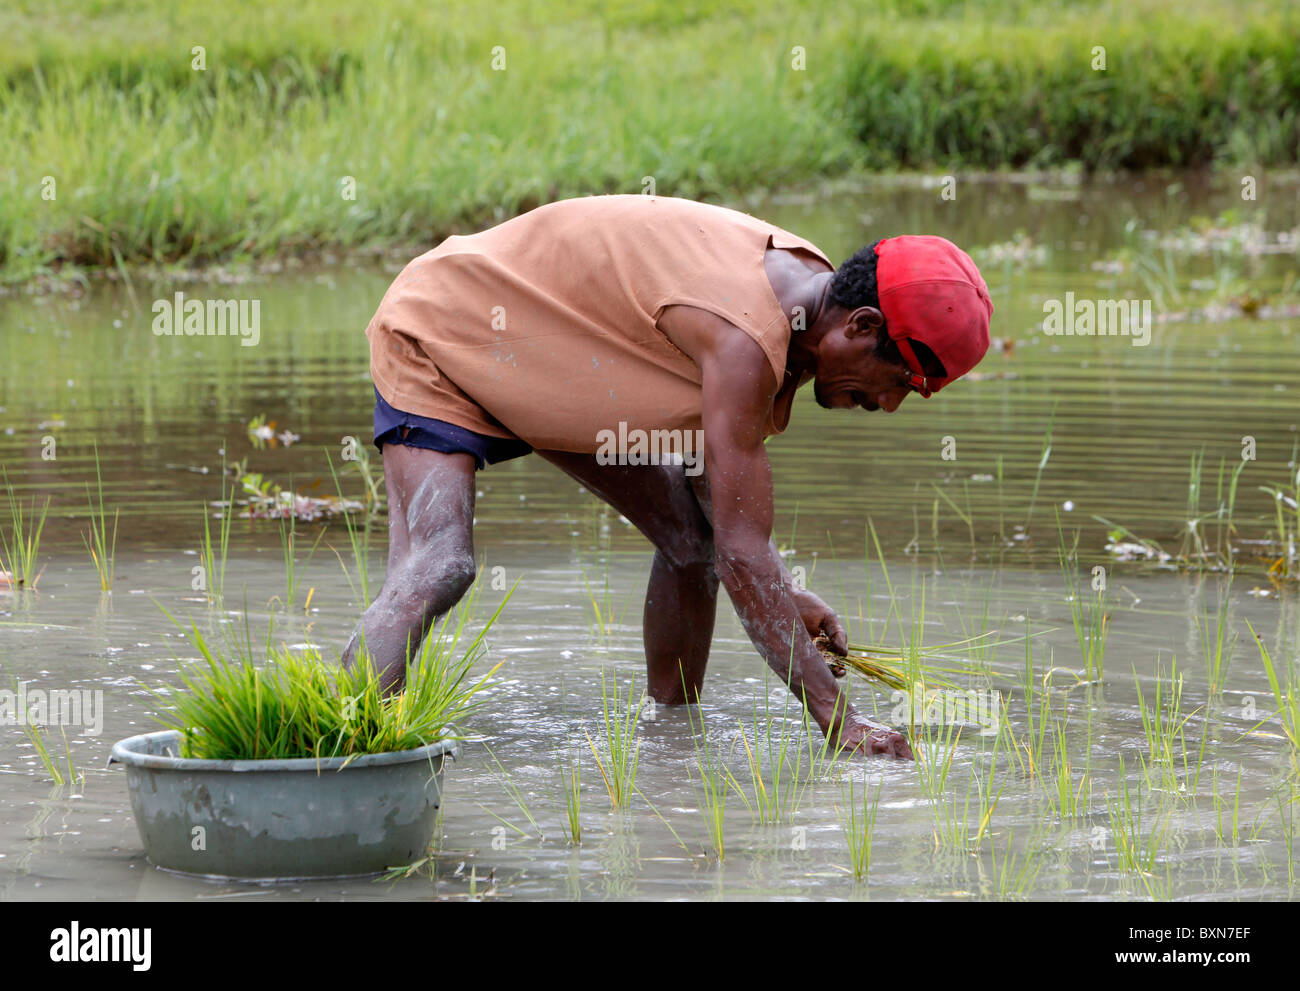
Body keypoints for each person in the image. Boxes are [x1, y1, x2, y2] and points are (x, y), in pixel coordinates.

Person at [343, 194, 992, 759]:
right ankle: (341, 746)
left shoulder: (808, 302)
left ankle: (669, 740)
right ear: (862, 324)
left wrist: (782, 590)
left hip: (561, 356)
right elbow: (744, 550)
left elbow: (722, 511)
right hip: (443, 328)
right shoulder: (748, 335)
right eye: (902, 379)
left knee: (690, 545)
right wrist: (837, 718)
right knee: (440, 564)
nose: (891, 404)